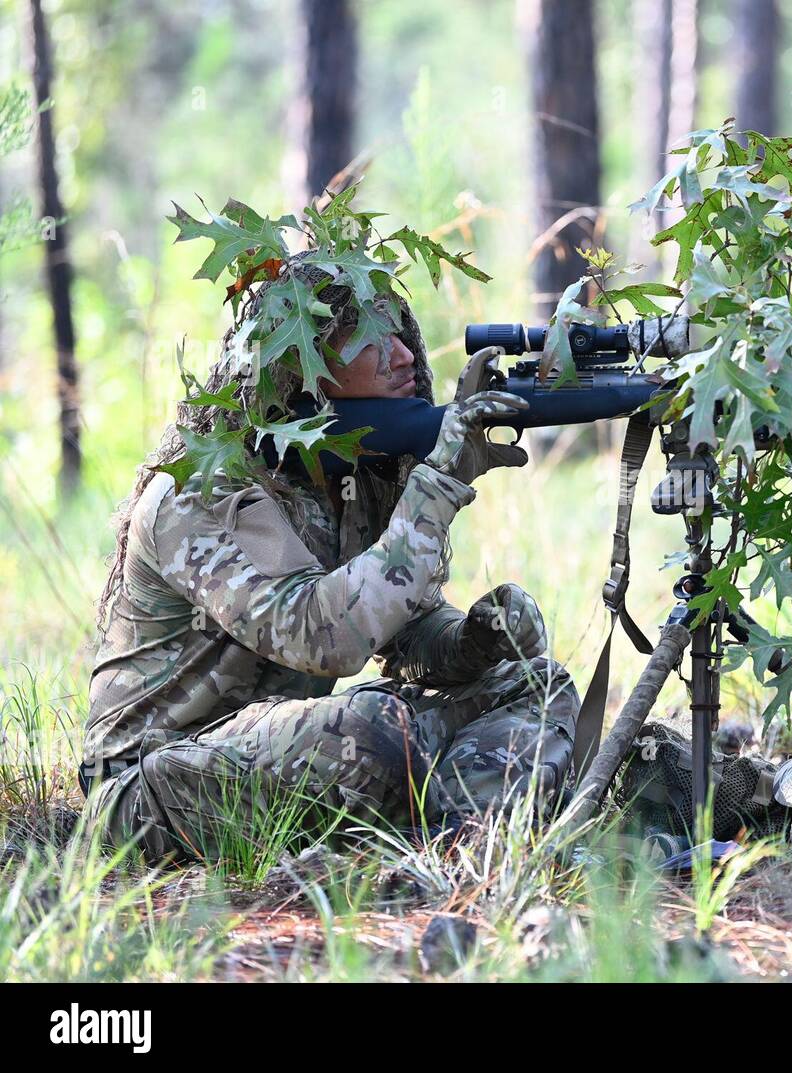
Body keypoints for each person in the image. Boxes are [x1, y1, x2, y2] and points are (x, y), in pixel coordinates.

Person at [82, 262, 579, 862]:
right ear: (301, 365)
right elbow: (326, 638)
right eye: (371, 338)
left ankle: (470, 853)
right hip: (149, 784)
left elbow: (407, 632)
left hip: (283, 748)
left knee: (534, 685)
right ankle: (423, 836)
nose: (403, 357)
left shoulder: (356, 478)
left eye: (400, 335)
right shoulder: (203, 487)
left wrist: (473, 641)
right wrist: (437, 486)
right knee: (372, 728)